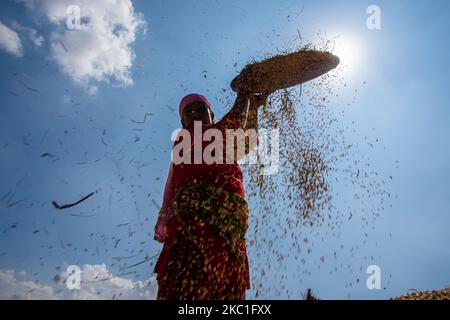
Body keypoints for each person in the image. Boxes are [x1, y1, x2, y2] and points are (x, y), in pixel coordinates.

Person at [153, 90, 267, 300]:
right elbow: (232, 124)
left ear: (212, 116)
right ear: (182, 121)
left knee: (227, 285)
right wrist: (244, 92)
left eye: (200, 109)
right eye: (189, 111)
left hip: (229, 225)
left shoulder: (221, 139)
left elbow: (246, 142)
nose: (195, 113)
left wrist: (255, 107)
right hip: (193, 221)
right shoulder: (185, 139)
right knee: (184, 280)